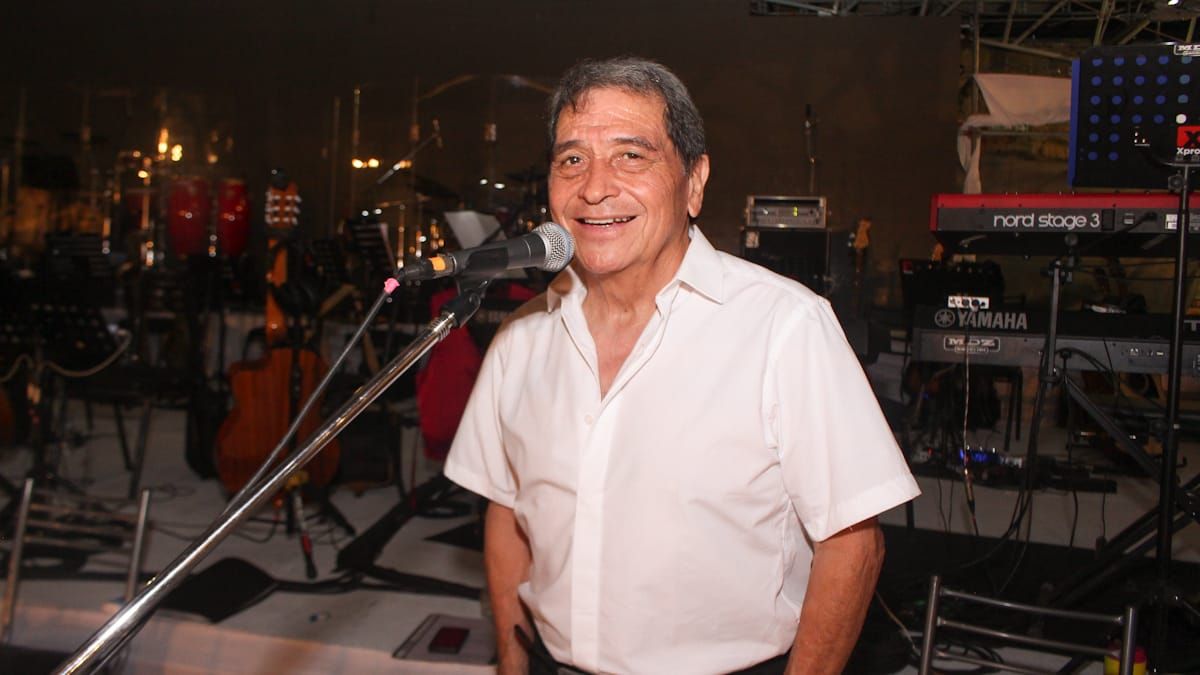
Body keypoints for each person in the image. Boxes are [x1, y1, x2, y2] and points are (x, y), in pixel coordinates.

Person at [444, 57, 920, 675]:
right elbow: (505, 513)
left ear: (694, 182)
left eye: (631, 156)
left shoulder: (785, 327)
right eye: (571, 160)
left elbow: (853, 544)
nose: (594, 186)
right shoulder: (521, 339)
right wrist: (512, 663)